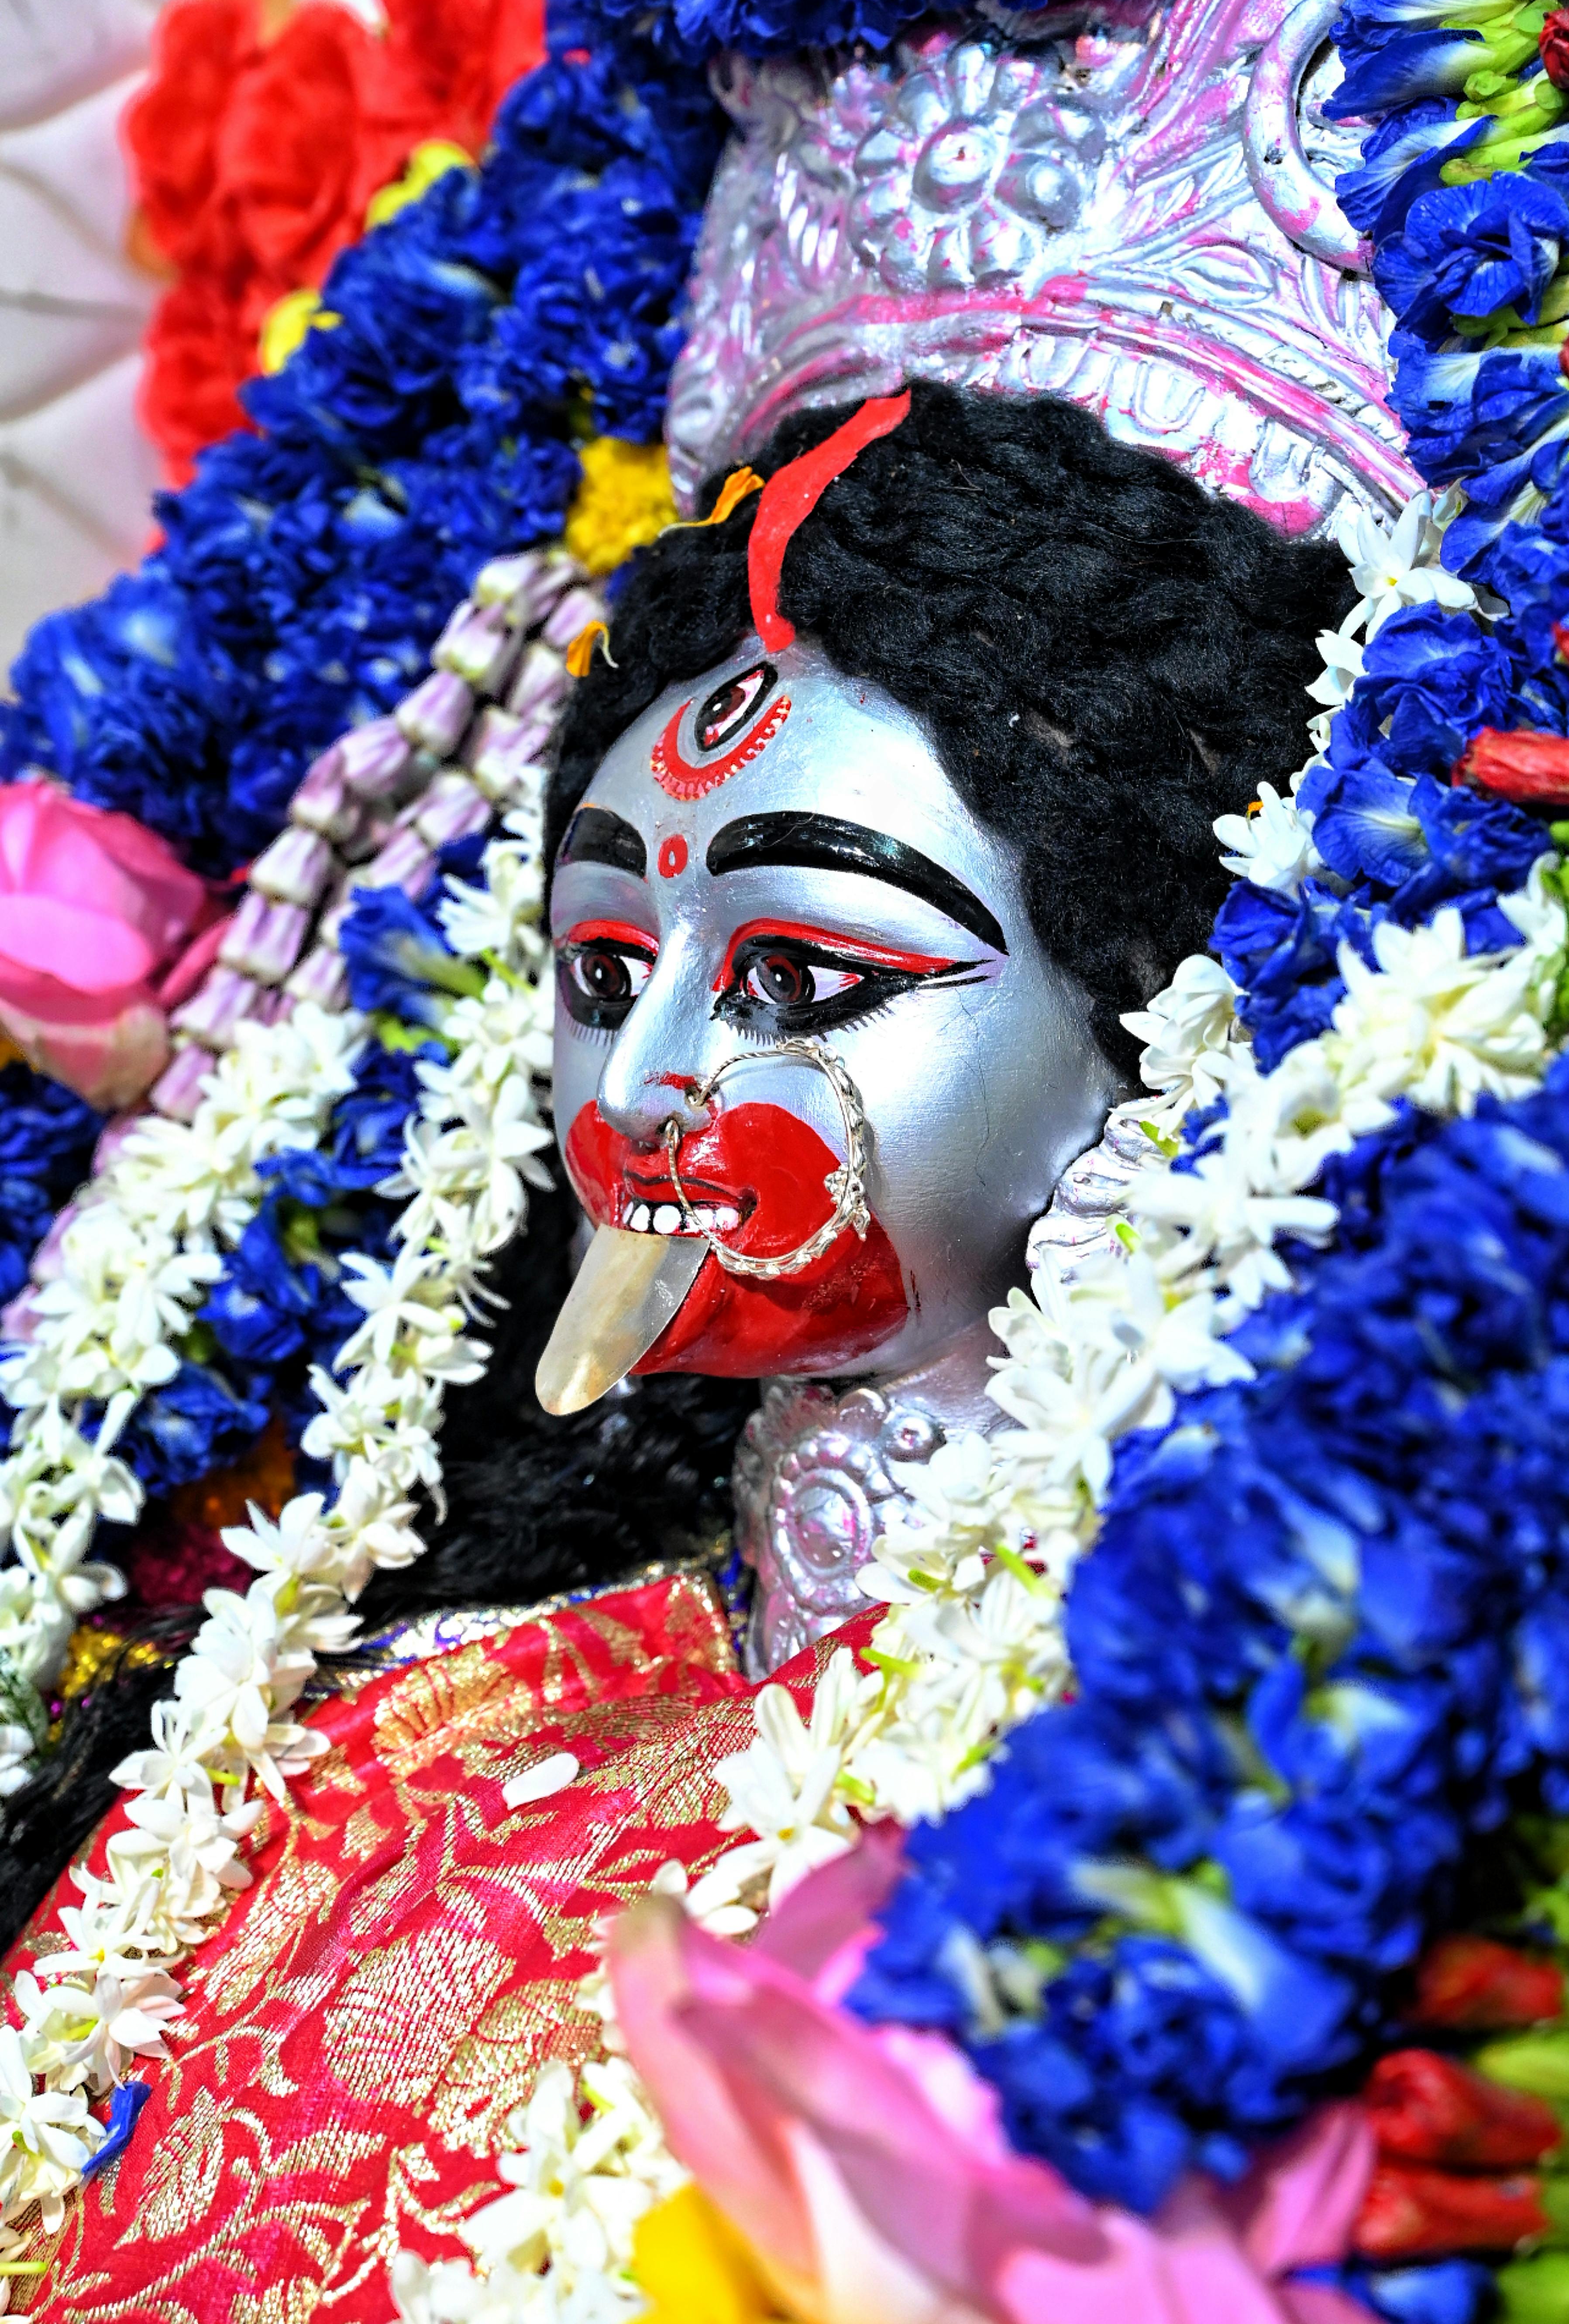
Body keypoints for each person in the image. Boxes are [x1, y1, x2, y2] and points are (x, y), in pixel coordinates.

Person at [2, 381, 1356, 2316]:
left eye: (803, 978)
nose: (642, 1092)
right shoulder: (391, 1715)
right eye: (606, 974)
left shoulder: (1205, 1830)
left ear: (1162, 1013)